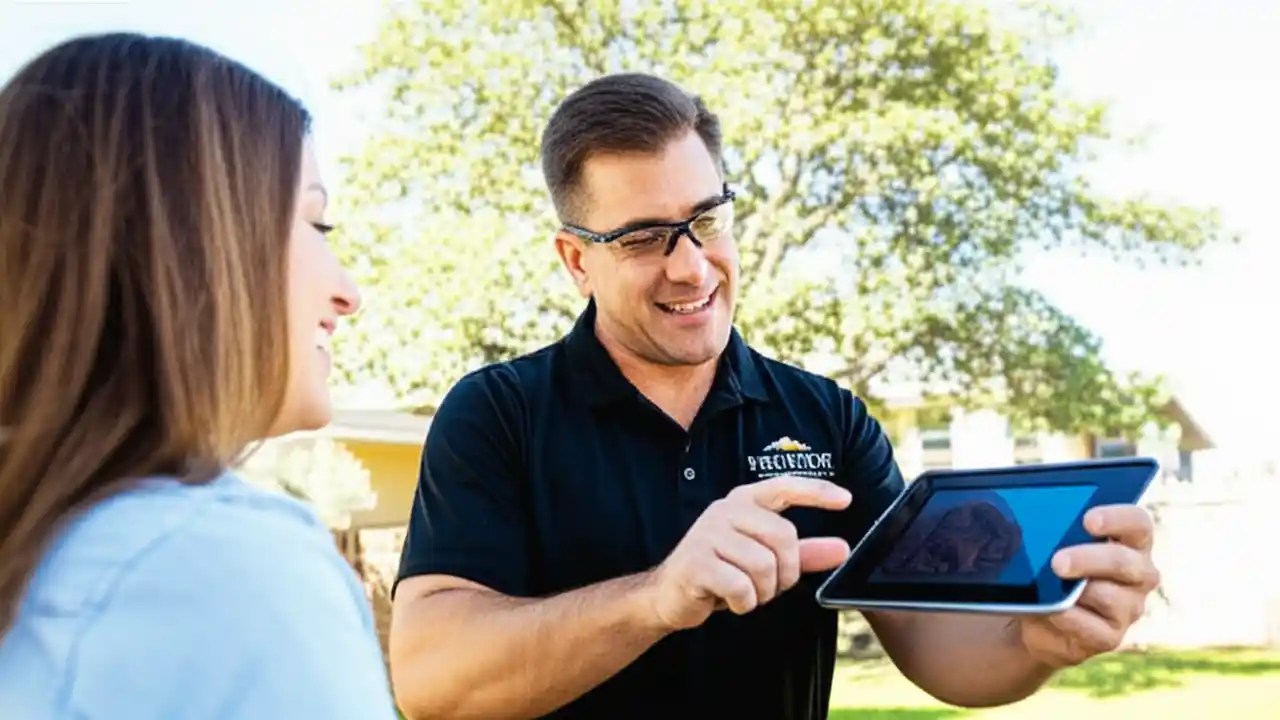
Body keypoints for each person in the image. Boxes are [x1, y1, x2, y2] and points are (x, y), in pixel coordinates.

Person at [387, 73, 1162, 719]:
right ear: (575, 260)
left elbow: (934, 647)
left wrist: (1036, 646)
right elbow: (430, 680)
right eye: (643, 238)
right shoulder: (497, 414)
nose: (691, 267)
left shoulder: (826, 417)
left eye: (706, 220)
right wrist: (658, 597)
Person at [0, 33, 398, 719]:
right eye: (317, 223)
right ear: (193, 247)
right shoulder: (224, 571)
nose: (348, 292)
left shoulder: (44, 559)